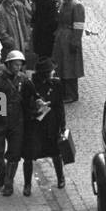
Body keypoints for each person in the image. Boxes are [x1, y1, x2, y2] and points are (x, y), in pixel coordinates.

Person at [0, 49, 42, 197]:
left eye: (20, 65)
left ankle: (8, 184)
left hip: (18, 121)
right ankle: (2, 170)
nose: (18, 68)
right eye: (15, 65)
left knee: (14, 153)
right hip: (1, 119)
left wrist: (38, 102)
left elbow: (33, 95)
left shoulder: (23, 79)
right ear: (8, 64)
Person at [25, 57, 68, 193]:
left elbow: (60, 105)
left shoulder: (56, 84)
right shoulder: (30, 85)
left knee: (55, 151)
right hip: (36, 125)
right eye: (51, 71)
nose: (54, 73)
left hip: (51, 123)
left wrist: (62, 125)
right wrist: (35, 109)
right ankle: (27, 184)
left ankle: (60, 177)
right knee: (29, 154)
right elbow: (25, 104)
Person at [53, 0, 86, 103]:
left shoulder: (77, 5)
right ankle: (64, 92)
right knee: (62, 67)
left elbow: (78, 26)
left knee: (70, 68)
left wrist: (75, 42)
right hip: (62, 39)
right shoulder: (65, 3)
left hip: (70, 39)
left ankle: (72, 94)